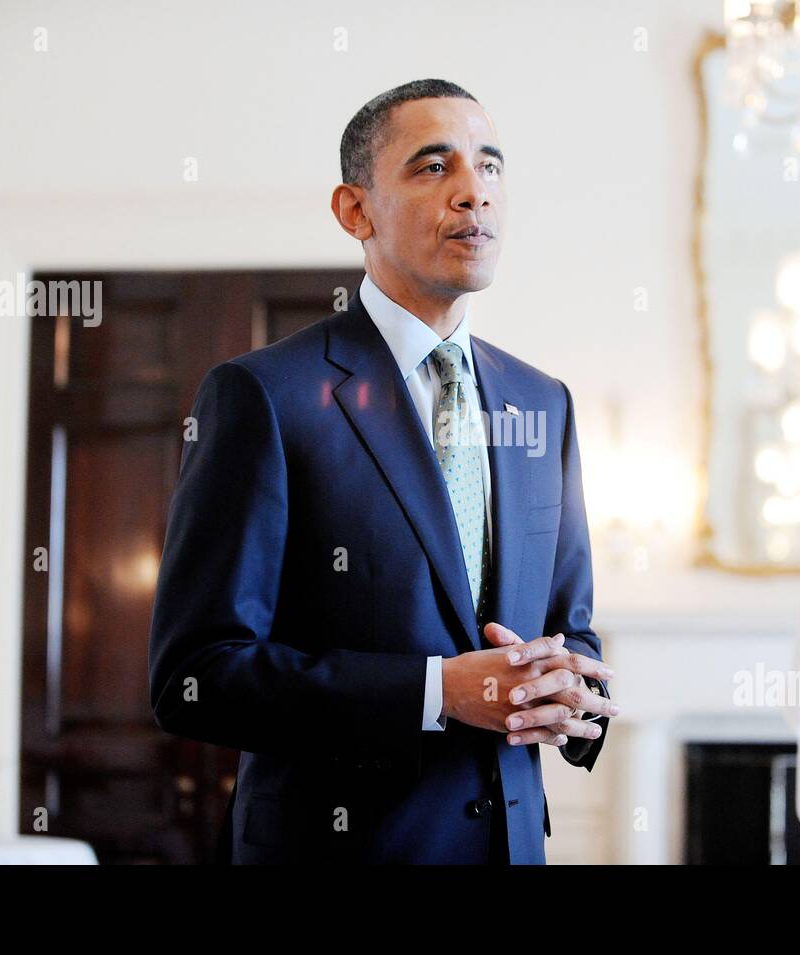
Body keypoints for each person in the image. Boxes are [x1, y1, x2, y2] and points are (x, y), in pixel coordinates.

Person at [149, 78, 619, 864]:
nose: (476, 192)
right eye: (434, 168)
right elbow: (197, 674)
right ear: (355, 210)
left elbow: (574, 630)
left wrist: (577, 698)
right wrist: (439, 691)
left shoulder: (545, 403)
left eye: (491, 166)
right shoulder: (266, 396)